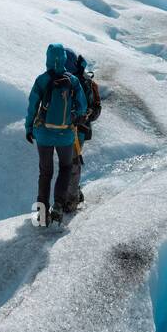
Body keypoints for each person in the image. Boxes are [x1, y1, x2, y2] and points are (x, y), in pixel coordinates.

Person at [25, 43, 87, 226]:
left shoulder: (42, 80)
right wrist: (73, 118)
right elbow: (82, 106)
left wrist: (29, 128)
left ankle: (42, 213)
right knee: (66, 168)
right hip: (65, 135)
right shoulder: (73, 81)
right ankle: (59, 205)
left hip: (43, 134)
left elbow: (32, 107)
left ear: (48, 58)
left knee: (45, 172)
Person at [61, 51, 102, 213]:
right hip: (75, 130)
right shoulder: (87, 83)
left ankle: (70, 198)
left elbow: (96, 110)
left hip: (70, 130)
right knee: (72, 164)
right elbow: (96, 111)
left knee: (70, 164)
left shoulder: (83, 84)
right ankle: (72, 196)